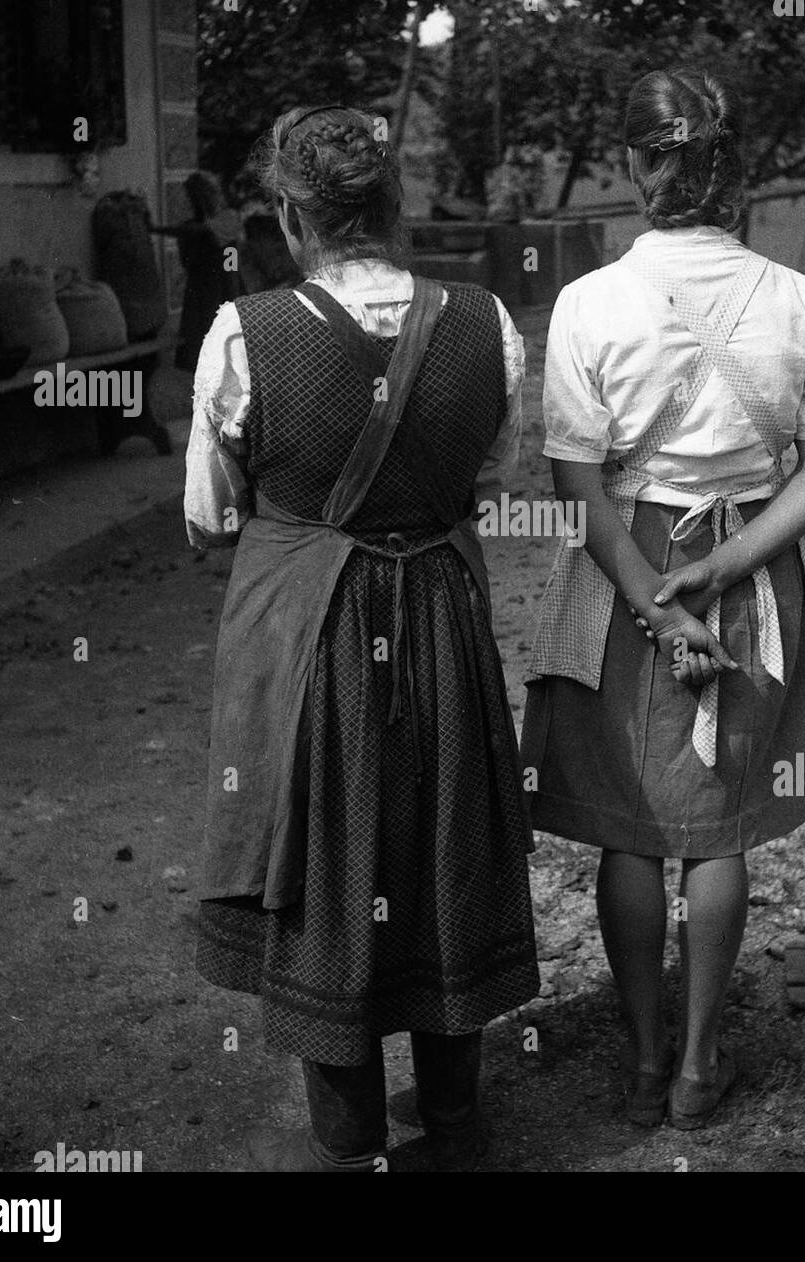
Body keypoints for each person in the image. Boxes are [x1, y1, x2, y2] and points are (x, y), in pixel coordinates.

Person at [185, 104, 540, 1172]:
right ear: (394, 208)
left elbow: (209, 516)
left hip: (306, 633)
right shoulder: (487, 321)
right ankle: (456, 1122)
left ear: (292, 218)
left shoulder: (244, 332)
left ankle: (345, 1136)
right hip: (439, 610)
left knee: (326, 847)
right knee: (445, 843)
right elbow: (490, 475)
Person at [521, 67, 805, 1131]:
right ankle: (700, 1069)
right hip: (755, 566)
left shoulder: (587, 302)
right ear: (732, 170)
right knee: (717, 832)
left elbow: (576, 479)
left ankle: (643, 1058)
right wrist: (721, 570)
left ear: (633, 166)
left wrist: (662, 602)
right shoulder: (797, 297)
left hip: (627, 566)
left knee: (631, 825)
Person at [150, 170, 246, 370]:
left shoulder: (228, 218)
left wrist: (155, 229)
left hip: (219, 288)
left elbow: (230, 260)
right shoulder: (202, 224)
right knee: (198, 345)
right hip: (202, 291)